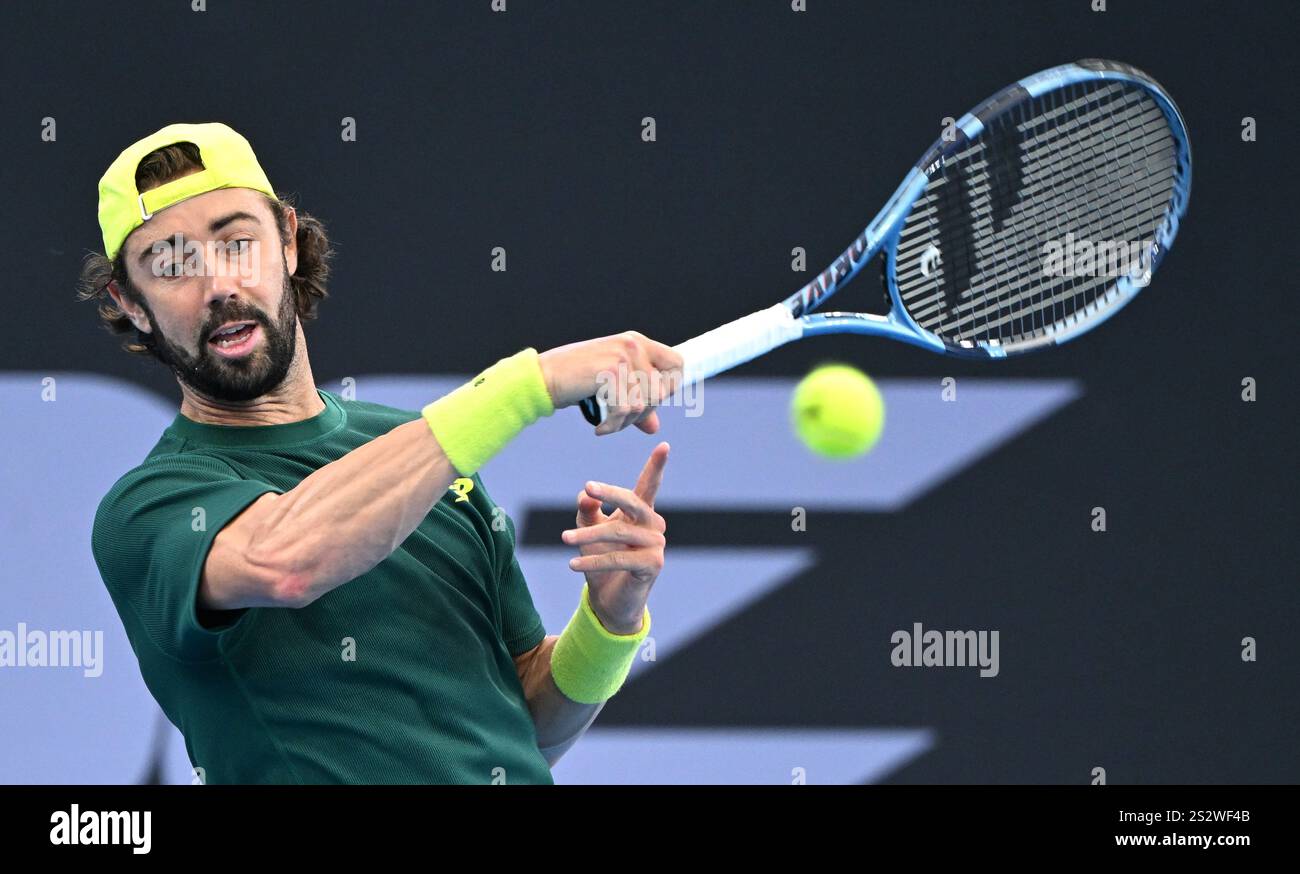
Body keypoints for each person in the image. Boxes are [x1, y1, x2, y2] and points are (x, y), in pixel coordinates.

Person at [78, 122, 681, 784]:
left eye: (237, 243)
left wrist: (607, 622)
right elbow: (285, 561)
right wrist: (527, 386)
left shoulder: (428, 461)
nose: (217, 284)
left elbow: (520, 729)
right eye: (170, 264)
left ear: (286, 240)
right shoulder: (152, 506)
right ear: (129, 303)